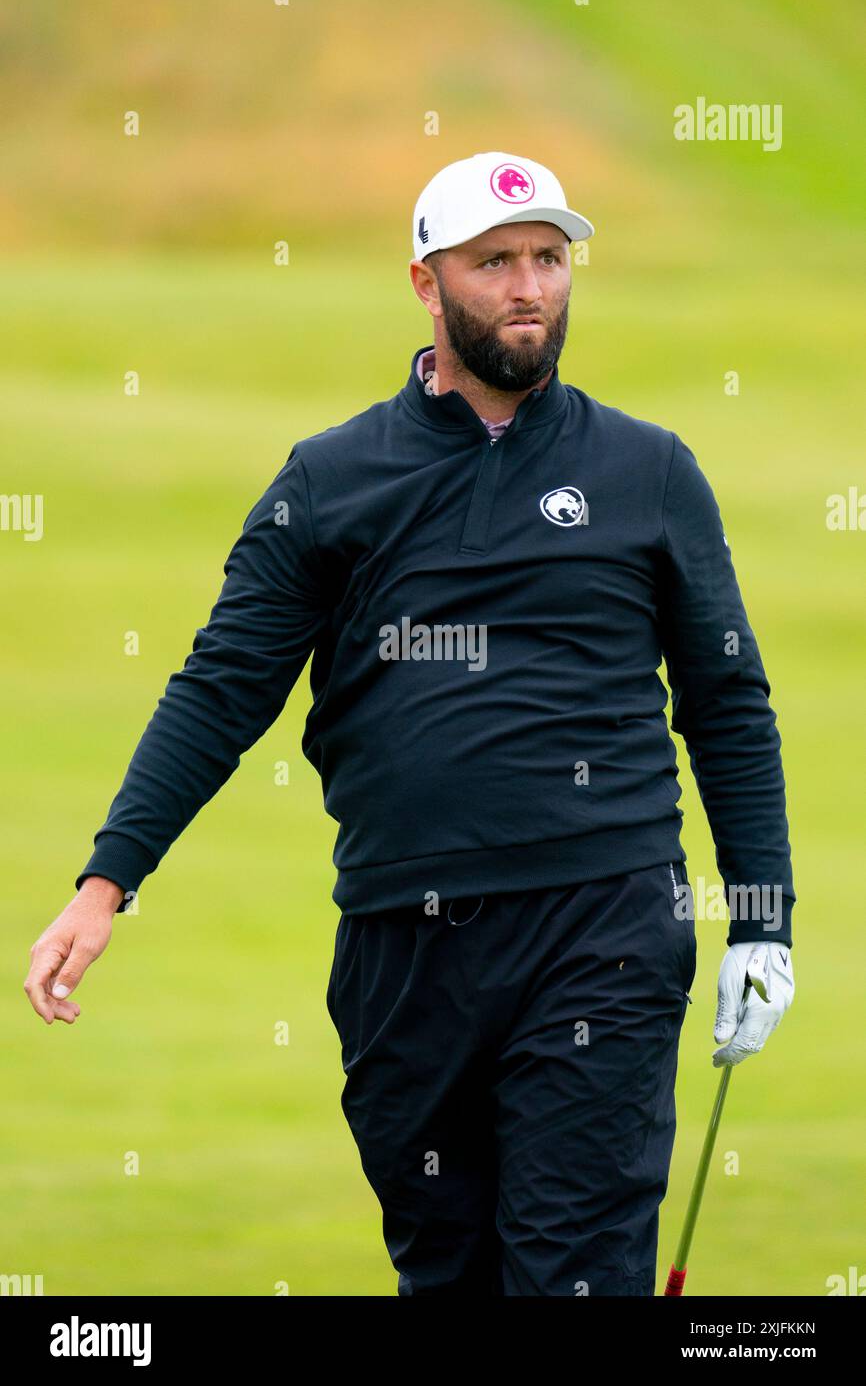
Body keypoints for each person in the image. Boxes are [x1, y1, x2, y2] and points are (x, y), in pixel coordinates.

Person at [25, 151, 795, 1295]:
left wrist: (761, 915)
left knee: (571, 1268)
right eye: (494, 264)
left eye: (548, 257)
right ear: (426, 285)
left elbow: (725, 697)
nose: (530, 286)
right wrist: (107, 879)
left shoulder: (646, 471)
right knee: (448, 1270)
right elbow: (222, 684)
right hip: (402, 941)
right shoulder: (330, 482)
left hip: (603, 923)